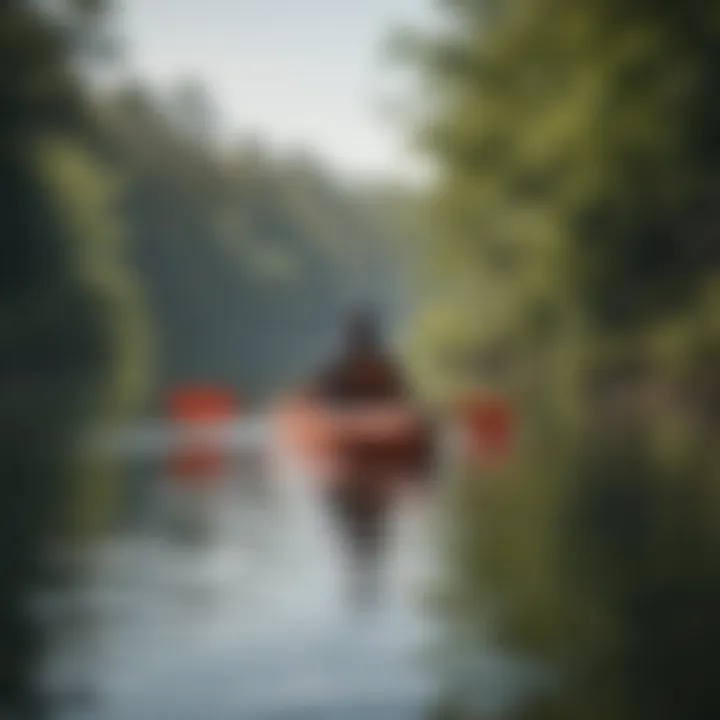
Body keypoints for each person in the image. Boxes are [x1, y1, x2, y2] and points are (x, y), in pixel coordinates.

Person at [303, 310, 433, 608]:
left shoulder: (352, 369)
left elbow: (403, 401)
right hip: (360, 435)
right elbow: (404, 397)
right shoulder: (363, 369)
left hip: (371, 437)